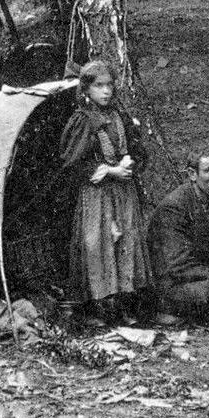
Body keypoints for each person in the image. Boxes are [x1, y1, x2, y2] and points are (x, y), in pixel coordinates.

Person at [59, 59, 152, 326]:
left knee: (126, 244)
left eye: (109, 85)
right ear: (86, 89)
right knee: (97, 245)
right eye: (99, 86)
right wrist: (109, 171)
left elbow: (136, 149)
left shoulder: (118, 116)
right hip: (97, 195)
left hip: (124, 193)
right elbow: (72, 163)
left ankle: (124, 305)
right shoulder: (82, 120)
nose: (106, 91)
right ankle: (97, 309)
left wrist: (129, 161)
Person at [147, 151, 209, 328]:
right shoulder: (173, 208)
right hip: (174, 283)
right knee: (206, 293)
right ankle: (177, 314)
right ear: (192, 174)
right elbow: (177, 264)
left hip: (202, 275)